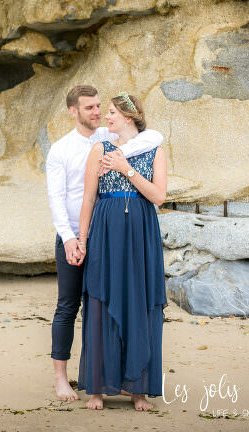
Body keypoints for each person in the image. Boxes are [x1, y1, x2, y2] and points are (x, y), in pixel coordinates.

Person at [45, 86, 162, 401]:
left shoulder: (114, 140)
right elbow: (60, 200)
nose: (97, 113)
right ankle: (62, 379)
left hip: (110, 236)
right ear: (74, 111)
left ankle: (126, 379)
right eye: (90, 108)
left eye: (101, 107)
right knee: (70, 305)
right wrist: (73, 239)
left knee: (121, 304)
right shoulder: (61, 149)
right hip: (74, 235)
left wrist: (126, 165)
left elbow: (150, 138)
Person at [76, 93, 168, 411]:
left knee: (139, 303)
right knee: (101, 302)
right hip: (106, 230)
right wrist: (83, 240)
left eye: (112, 112)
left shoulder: (155, 150)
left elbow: (158, 196)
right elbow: (89, 198)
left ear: (128, 117)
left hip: (141, 233)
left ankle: (138, 388)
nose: (107, 117)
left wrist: (126, 169)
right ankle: (98, 388)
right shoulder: (99, 149)